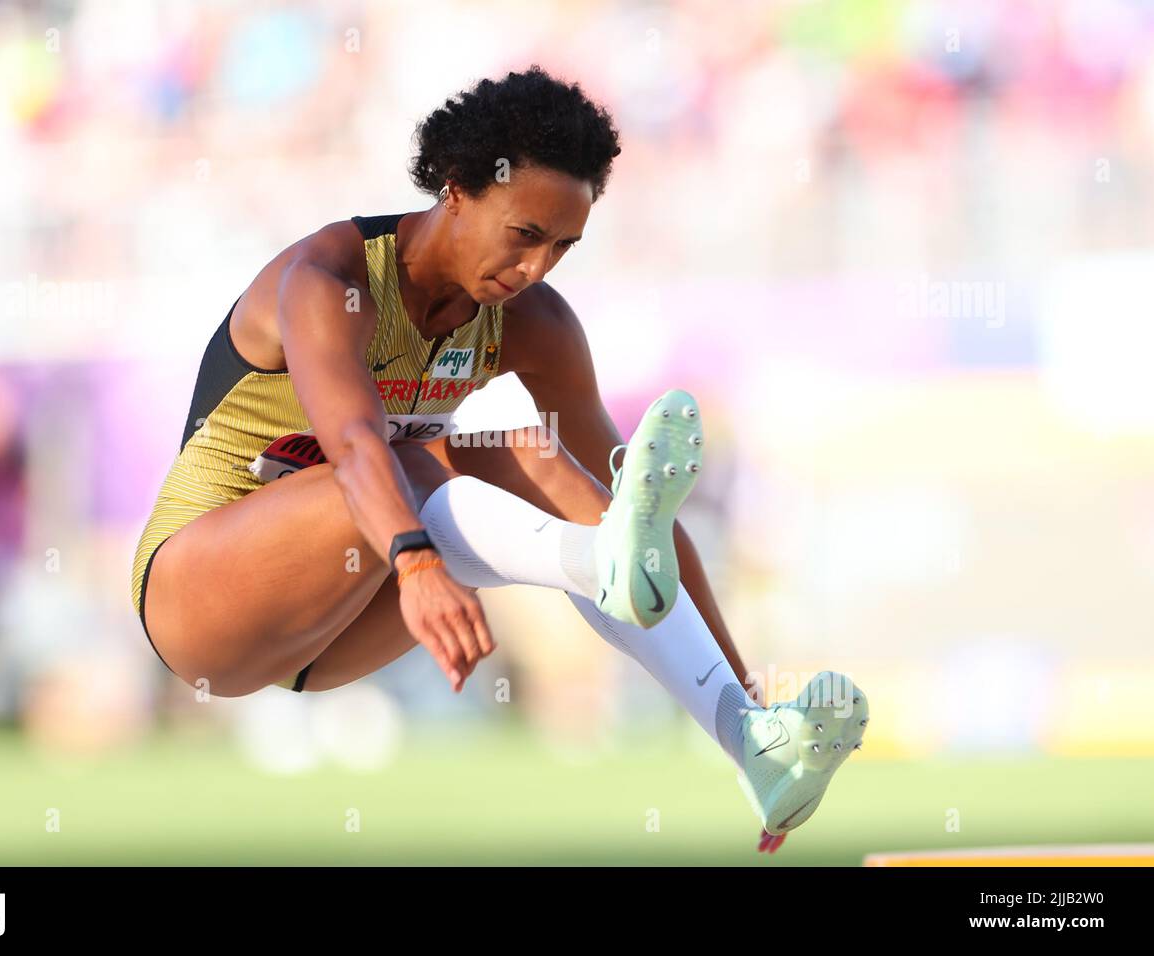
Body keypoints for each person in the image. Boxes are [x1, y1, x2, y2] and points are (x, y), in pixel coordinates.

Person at [129, 66, 867, 849]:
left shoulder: (535, 324)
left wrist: (744, 699)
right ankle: (594, 565)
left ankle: (749, 743)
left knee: (533, 461)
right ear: (456, 188)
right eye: (524, 235)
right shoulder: (329, 280)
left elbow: (634, 515)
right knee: (409, 459)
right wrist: (416, 566)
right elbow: (351, 445)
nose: (535, 270)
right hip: (198, 604)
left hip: (332, 631)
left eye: (562, 246)